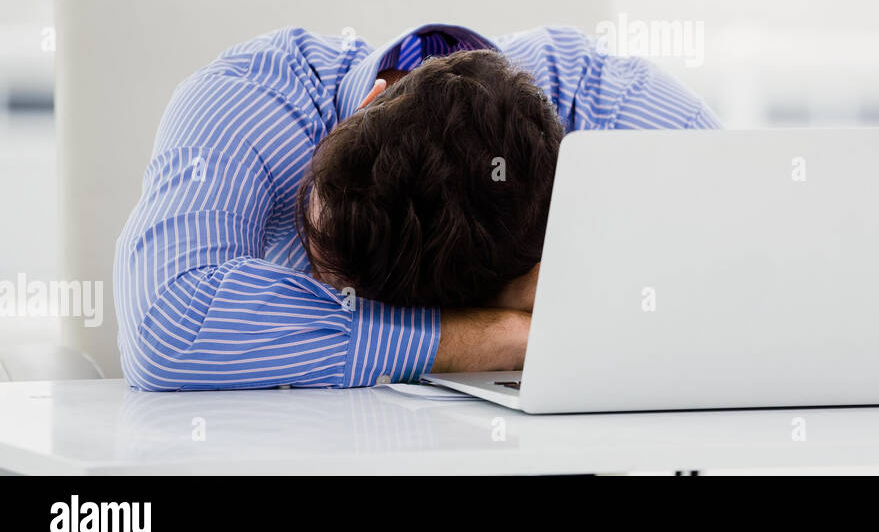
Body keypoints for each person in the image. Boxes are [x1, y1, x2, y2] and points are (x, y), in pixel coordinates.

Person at [114, 23, 719, 390]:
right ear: (370, 102)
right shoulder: (245, 97)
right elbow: (169, 325)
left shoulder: (620, 110)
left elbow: (759, 276)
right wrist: (489, 338)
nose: (327, 289)